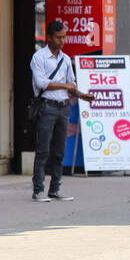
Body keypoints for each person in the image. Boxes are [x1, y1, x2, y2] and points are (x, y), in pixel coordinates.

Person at [30, 20, 94, 201]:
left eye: (64, 37)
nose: (62, 41)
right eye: (59, 37)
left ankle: (55, 189)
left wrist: (82, 95)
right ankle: (38, 190)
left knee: (59, 152)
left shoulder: (66, 59)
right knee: (43, 150)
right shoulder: (39, 57)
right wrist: (65, 85)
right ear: (49, 37)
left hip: (63, 107)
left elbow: (71, 85)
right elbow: (41, 83)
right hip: (47, 107)